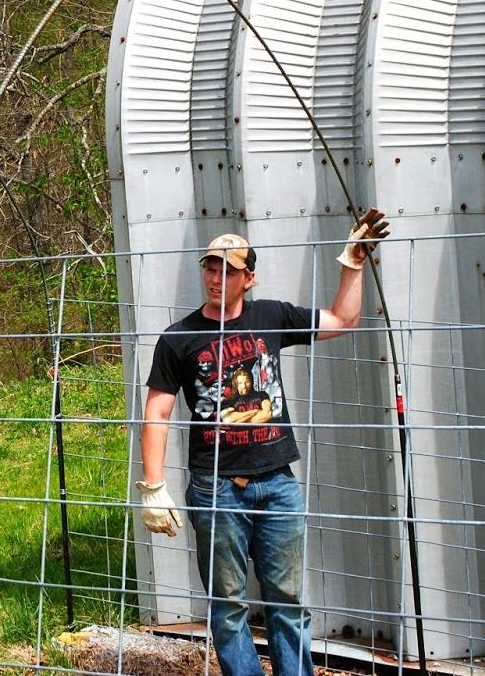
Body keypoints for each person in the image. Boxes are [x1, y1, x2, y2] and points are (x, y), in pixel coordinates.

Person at [137, 210, 389, 676]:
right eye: (211, 268)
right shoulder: (179, 338)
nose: (217, 278)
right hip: (216, 488)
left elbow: (342, 319)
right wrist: (153, 487)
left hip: (278, 483)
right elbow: (157, 411)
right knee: (228, 604)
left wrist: (352, 263)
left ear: (248, 278)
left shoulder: (271, 316)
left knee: (287, 600)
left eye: (229, 271)